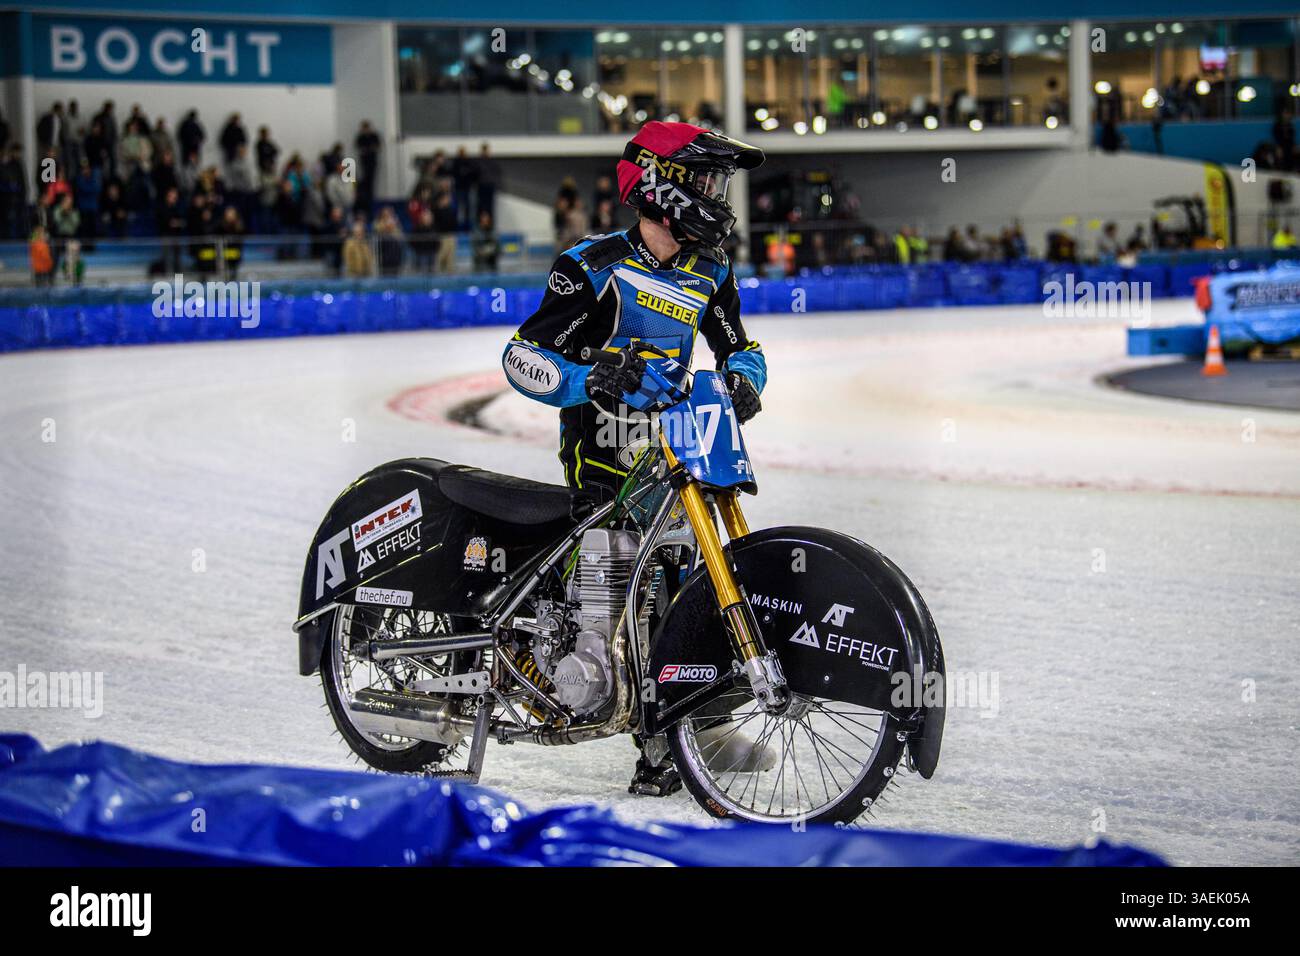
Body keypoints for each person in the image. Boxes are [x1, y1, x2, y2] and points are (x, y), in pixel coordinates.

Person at [500, 121, 769, 797]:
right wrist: (590, 377)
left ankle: (693, 729)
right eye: (708, 181)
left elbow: (739, 345)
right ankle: (652, 745)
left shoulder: (711, 270)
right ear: (662, 188)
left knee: (693, 586)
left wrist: (745, 379)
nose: (720, 196)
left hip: (679, 453)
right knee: (628, 595)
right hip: (603, 457)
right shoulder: (590, 266)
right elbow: (524, 356)